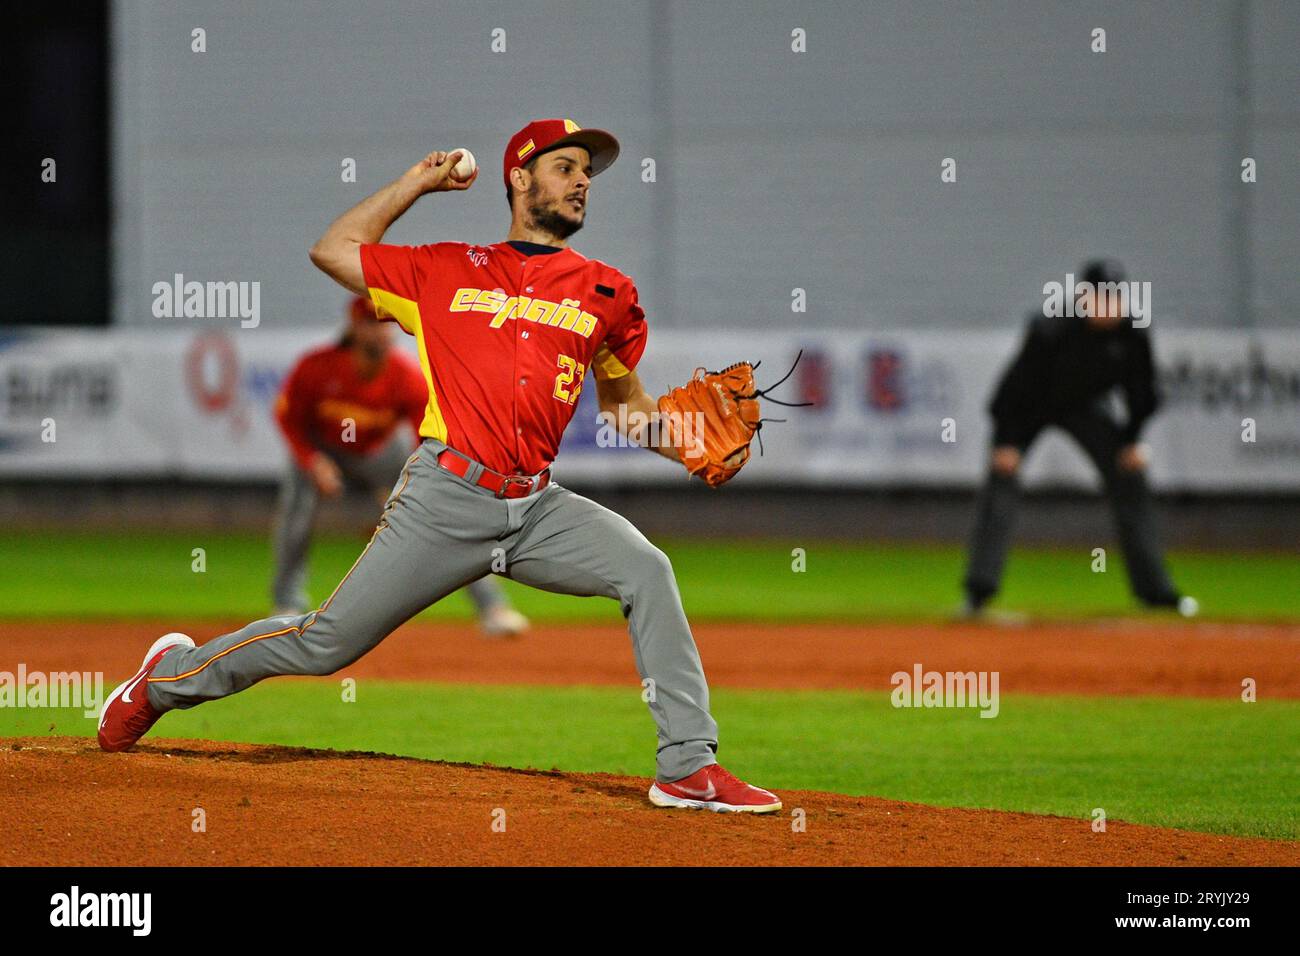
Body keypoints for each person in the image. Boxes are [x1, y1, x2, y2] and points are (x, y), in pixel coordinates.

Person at [98, 118, 781, 813]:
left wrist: (689, 440)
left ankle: (687, 766)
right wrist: (419, 183)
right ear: (519, 177)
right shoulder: (442, 268)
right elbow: (333, 249)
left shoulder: (606, 292)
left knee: (647, 568)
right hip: (444, 498)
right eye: (566, 167)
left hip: (538, 508)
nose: (581, 182)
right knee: (325, 644)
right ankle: (165, 679)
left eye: (587, 174)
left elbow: (624, 407)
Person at [270, 294, 529, 636]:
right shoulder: (317, 367)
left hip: (381, 454)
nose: (380, 332)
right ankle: (286, 604)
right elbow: (288, 418)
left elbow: (430, 437)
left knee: (441, 515)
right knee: (296, 515)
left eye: (386, 324)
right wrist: (312, 461)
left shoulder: (406, 377)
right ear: (354, 327)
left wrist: (418, 482)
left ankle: (492, 607)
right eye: (371, 323)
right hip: (323, 449)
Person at [961, 259, 1198, 619]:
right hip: (1030, 407)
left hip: (1086, 408)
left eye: (1114, 297)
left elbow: (1143, 394)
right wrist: (1008, 441)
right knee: (1001, 481)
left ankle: (1157, 592)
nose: (1107, 305)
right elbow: (1014, 387)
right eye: (1099, 297)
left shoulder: (1132, 334)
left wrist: (1132, 440)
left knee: (1129, 480)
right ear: (1082, 298)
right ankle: (978, 593)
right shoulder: (1050, 329)